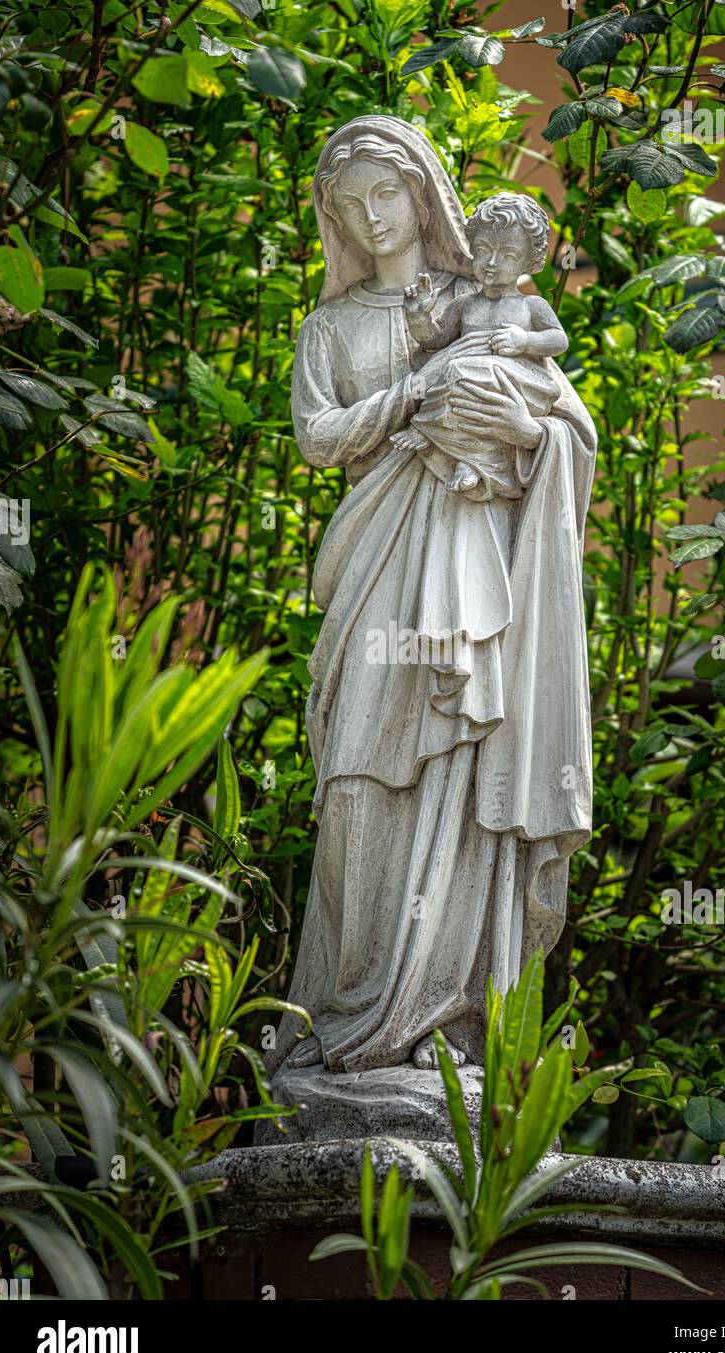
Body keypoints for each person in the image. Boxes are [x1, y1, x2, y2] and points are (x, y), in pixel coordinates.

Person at [265, 115, 596, 1088]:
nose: (373, 216)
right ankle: (349, 1019)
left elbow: (566, 429)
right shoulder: (328, 329)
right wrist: (415, 393)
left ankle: (441, 1030)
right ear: (333, 218)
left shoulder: (487, 298)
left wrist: (529, 437)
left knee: (462, 777)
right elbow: (322, 438)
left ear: (423, 194)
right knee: (359, 776)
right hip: (376, 570)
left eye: (388, 192)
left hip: (470, 568)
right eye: (350, 202)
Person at [395, 192, 569, 499]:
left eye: (508, 256)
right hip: (470, 382)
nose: (491, 263)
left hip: (516, 383)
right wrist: (418, 314)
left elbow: (558, 340)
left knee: (469, 382)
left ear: (531, 262)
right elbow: (435, 339)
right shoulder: (466, 305)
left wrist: (524, 340)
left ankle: (444, 443)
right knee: (454, 379)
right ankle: (467, 459)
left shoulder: (532, 306)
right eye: (482, 250)